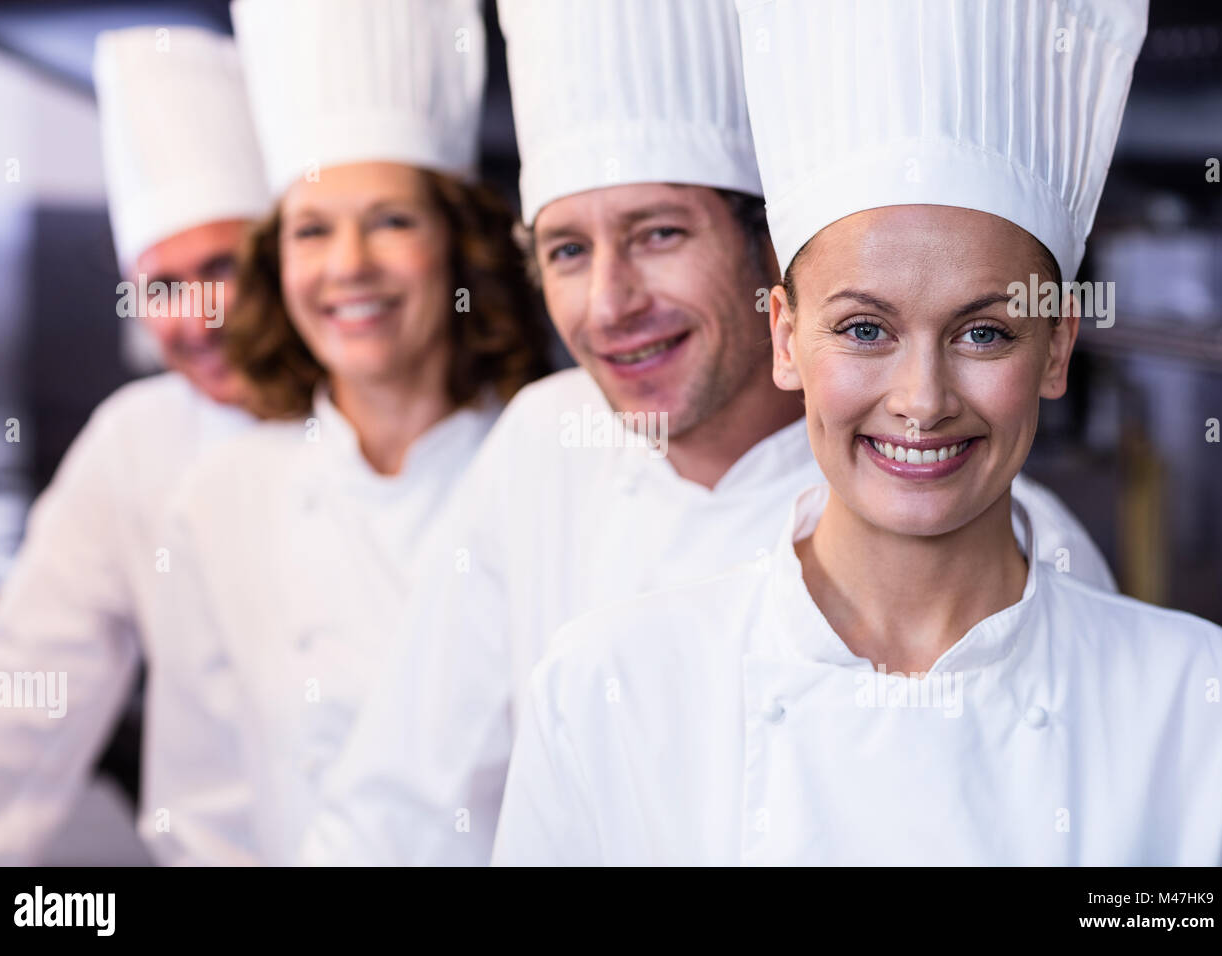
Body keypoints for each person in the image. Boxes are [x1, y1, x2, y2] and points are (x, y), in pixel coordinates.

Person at [301, 0, 1118, 867]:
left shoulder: (1000, 542)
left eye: (659, 234)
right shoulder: (545, 437)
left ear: (770, 259)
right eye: (568, 251)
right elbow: (401, 810)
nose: (611, 305)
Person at [492, 0, 1222, 866]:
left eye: (984, 332)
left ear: (1058, 349)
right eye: (864, 329)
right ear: (786, 336)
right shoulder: (605, 692)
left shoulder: (1206, 711)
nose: (921, 400)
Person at [141, 0, 551, 865]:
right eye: (312, 230)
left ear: (460, 245)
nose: (348, 266)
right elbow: (200, 811)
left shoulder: (551, 466)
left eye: (392, 221)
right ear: (277, 263)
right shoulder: (221, 500)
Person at [0, 25, 269, 865]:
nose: (192, 319)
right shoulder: (140, 439)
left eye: (223, 269)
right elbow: (20, 697)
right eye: (161, 286)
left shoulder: (406, 424)